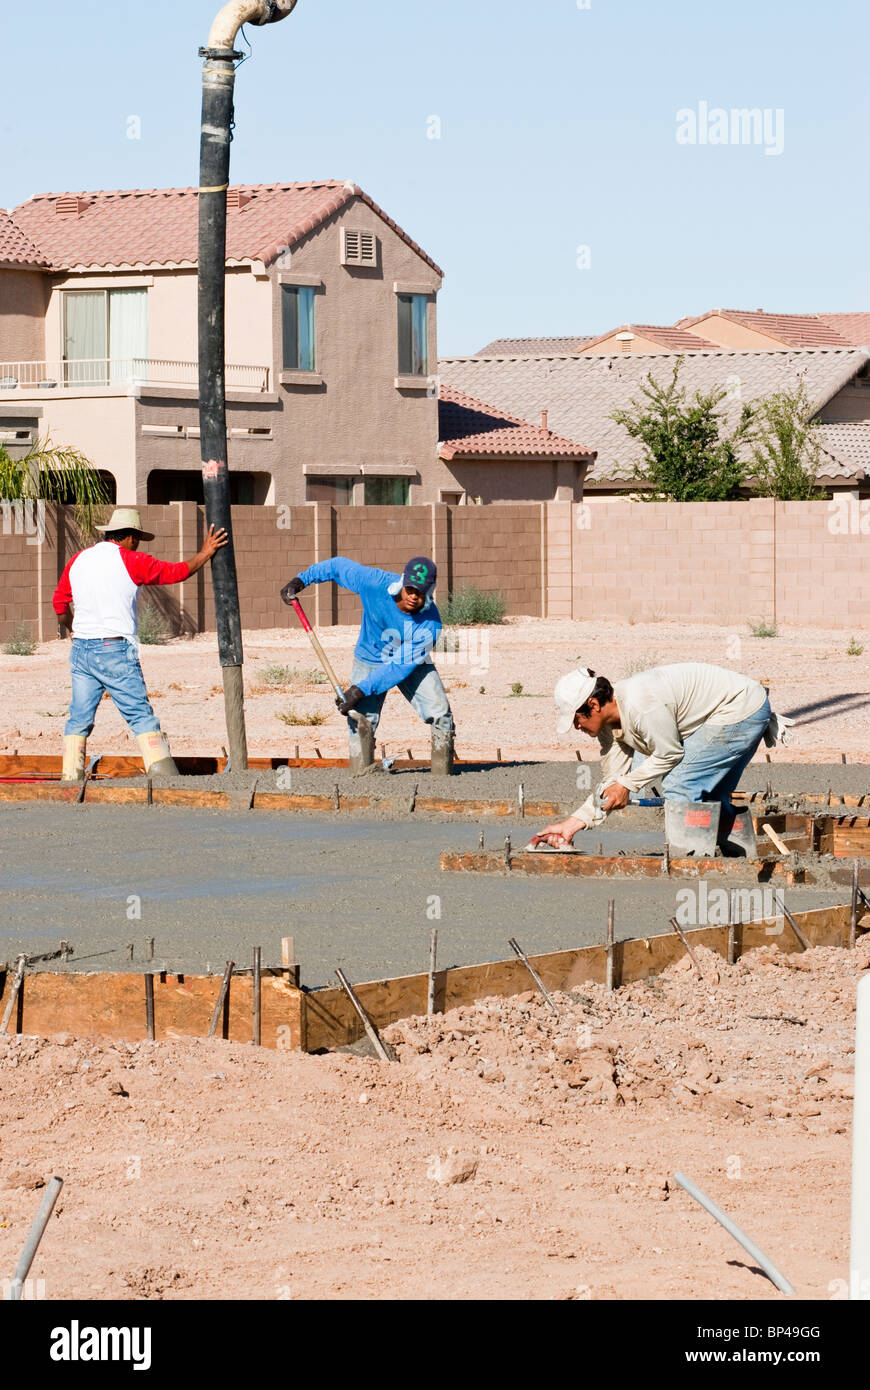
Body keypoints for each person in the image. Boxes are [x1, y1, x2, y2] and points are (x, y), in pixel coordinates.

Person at [532, 662, 790, 855]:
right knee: (707, 794)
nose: (577, 727)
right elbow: (614, 784)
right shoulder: (610, 728)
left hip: (739, 708)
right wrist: (572, 824)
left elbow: (670, 754)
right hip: (736, 709)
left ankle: (688, 865)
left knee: (680, 783)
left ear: (594, 705)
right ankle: (739, 856)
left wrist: (627, 785)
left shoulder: (642, 705)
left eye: (577, 719)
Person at [53, 506, 227, 780]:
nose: (137, 545)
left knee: (78, 718)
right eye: (137, 540)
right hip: (115, 649)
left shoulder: (79, 559)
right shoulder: (131, 561)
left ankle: (70, 779)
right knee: (140, 715)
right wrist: (206, 552)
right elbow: (178, 572)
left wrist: (74, 629)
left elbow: (59, 604)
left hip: (81, 651)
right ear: (130, 537)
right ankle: (165, 779)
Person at [280, 555, 455, 773]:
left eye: (420, 592)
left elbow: (398, 667)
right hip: (370, 657)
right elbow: (337, 567)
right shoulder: (374, 582)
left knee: (440, 714)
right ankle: (360, 775)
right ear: (403, 581)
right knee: (360, 720)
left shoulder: (430, 625)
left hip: (411, 663)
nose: (413, 596)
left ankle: (443, 776)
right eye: (410, 588)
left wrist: (360, 689)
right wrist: (301, 580)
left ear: (430, 591)